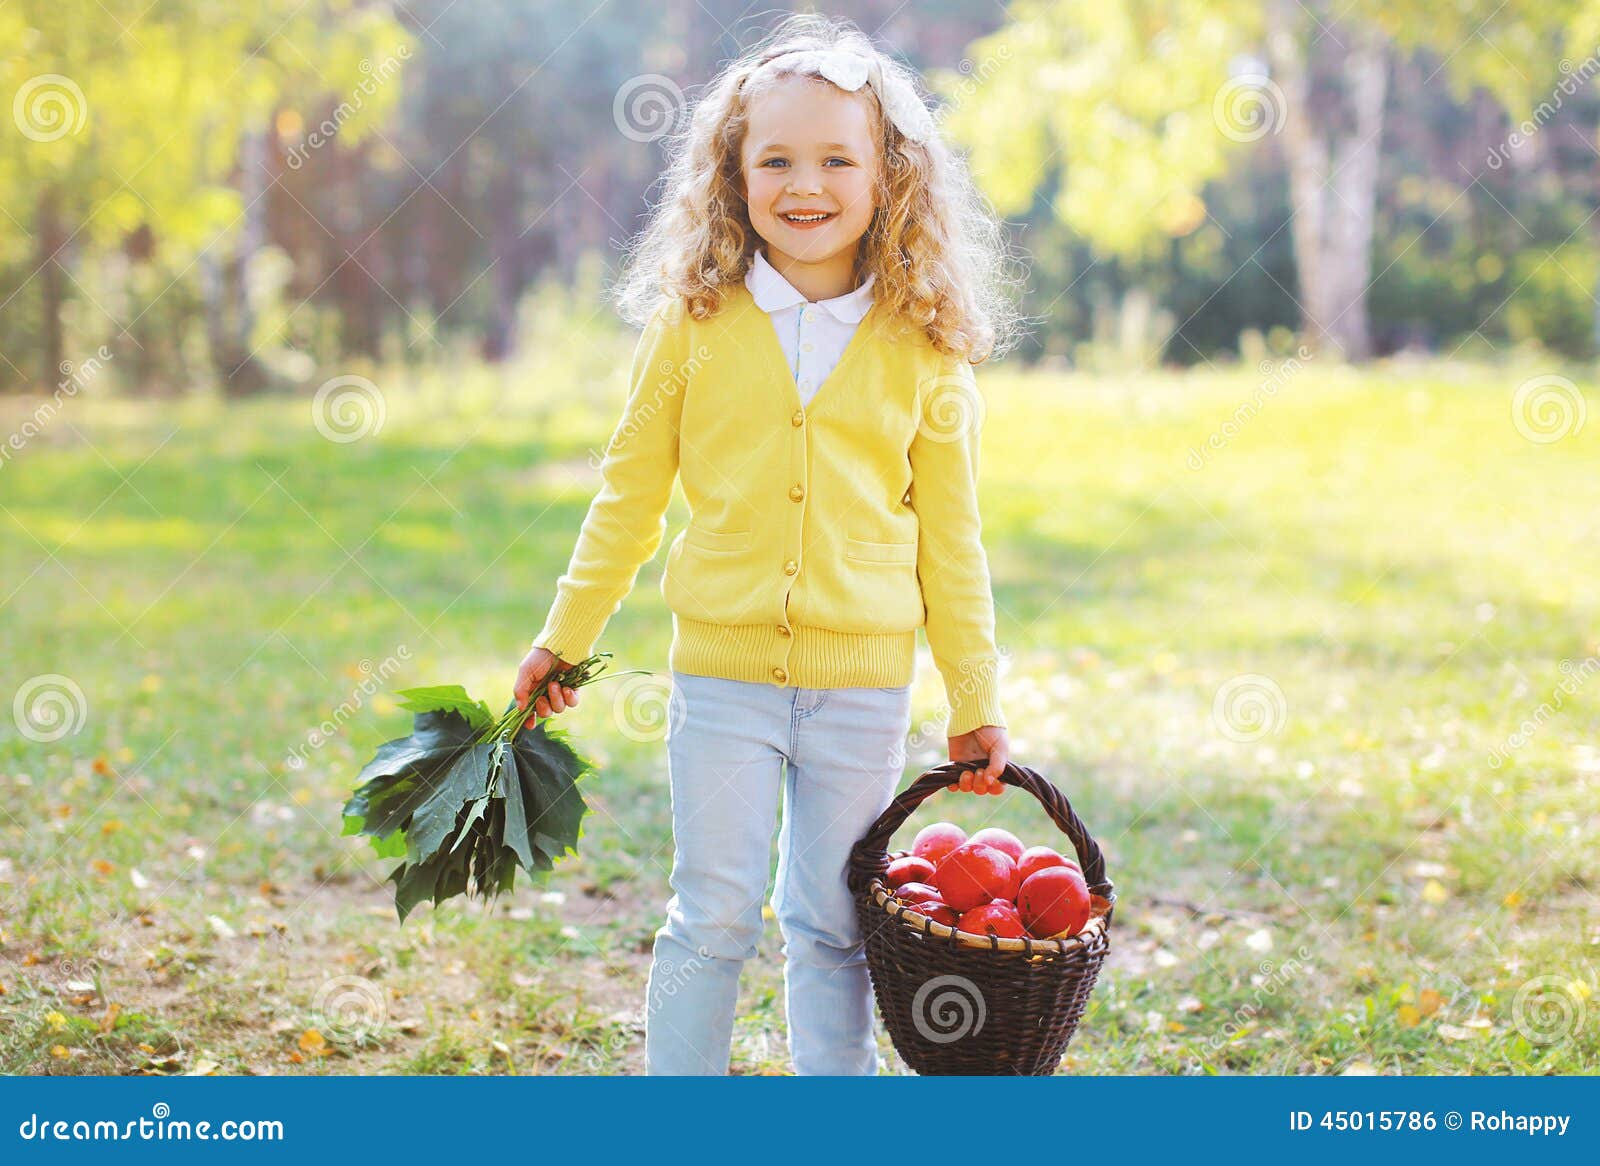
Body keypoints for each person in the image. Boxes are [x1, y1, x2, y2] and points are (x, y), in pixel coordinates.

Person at [511, 12, 1026, 1075]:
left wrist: (972, 698)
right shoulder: (692, 326)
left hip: (863, 689)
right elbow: (629, 497)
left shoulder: (922, 346)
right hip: (723, 680)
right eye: (775, 158)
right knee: (710, 914)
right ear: (731, 175)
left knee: (834, 923)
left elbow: (952, 541)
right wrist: (565, 634)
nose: (806, 183)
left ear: (887, 177)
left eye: (837, 158)